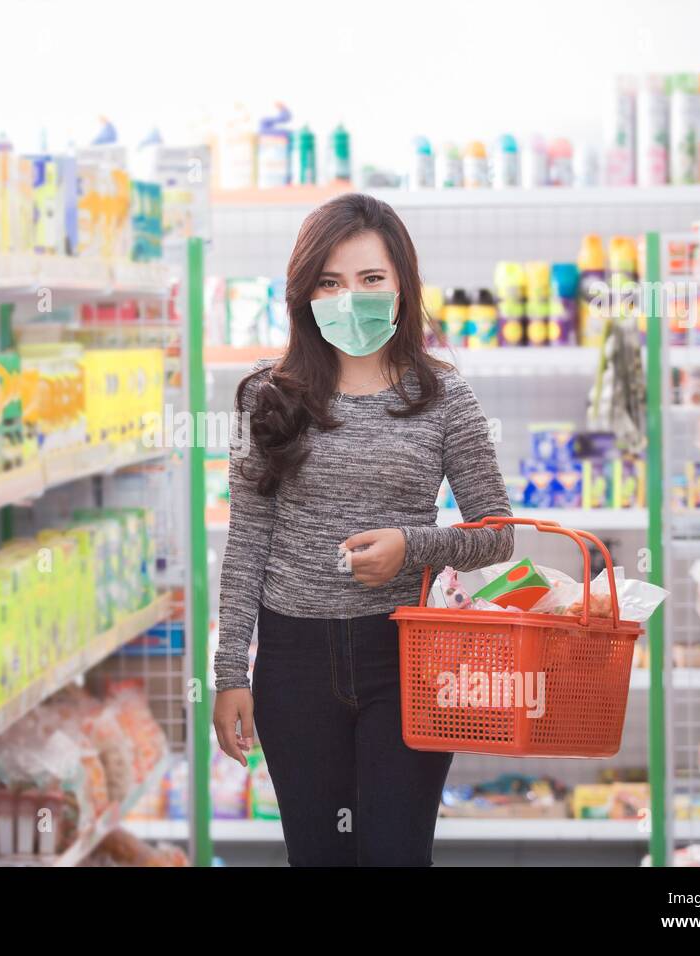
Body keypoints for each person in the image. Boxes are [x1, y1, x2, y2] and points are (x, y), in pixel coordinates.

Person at [212, 192, 514, 866]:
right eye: (331, 282)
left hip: (407, 656)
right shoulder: (266, 397)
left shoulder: (443, 397)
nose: (351, 298)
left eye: (371, 280)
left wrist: (415, 546)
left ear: (402, 286)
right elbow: (248, 539)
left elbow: (496, 532)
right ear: (305, 294)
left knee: (396, 855)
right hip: (293, 662)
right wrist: (230, 669)